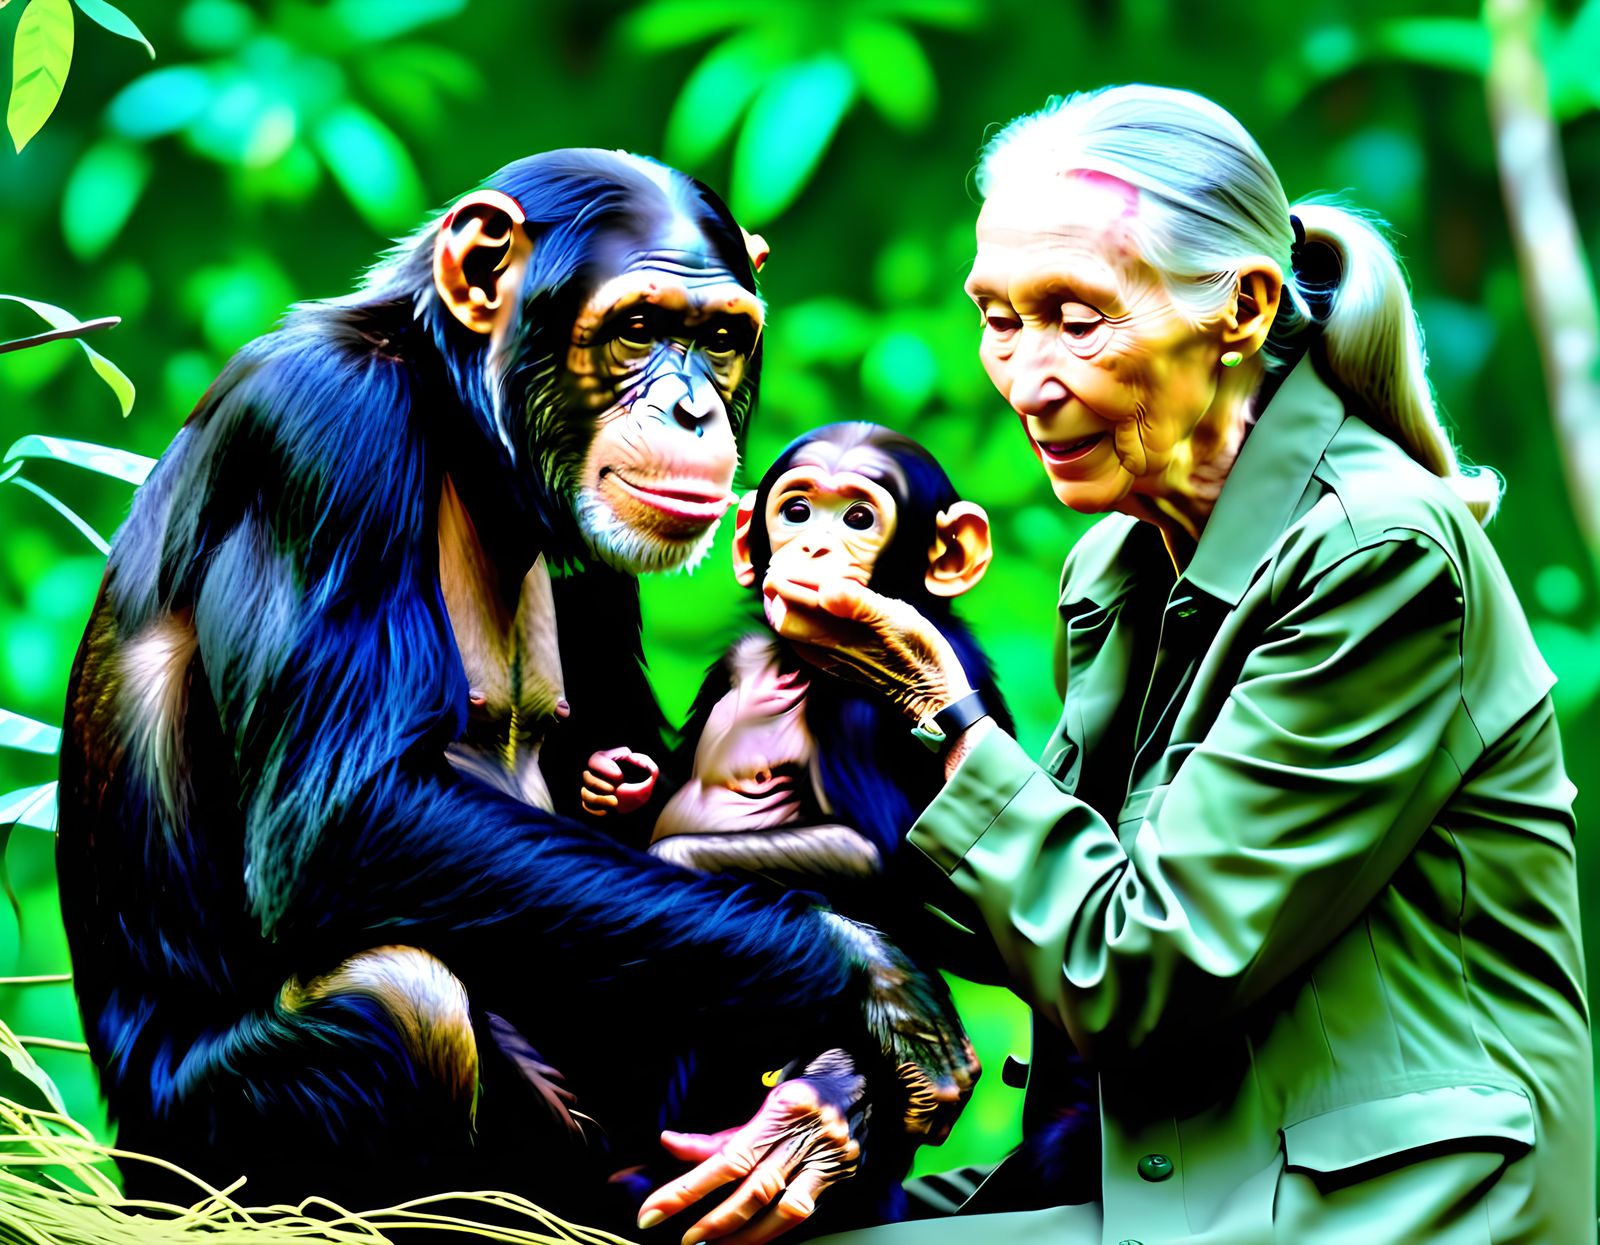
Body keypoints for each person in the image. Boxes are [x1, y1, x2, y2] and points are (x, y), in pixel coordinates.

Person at [747, 85, 1593, 1244]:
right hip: (1179, 1174)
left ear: (1240, 311)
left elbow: (1139, 973)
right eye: (999, 319)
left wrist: (940, 708)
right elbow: (1034, 911)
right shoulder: (1119, 560)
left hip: (1393, 1206)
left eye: (1075, 319)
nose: (1027, 379)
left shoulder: (1375, 550)